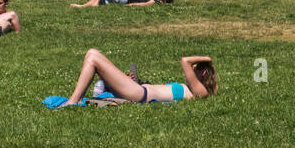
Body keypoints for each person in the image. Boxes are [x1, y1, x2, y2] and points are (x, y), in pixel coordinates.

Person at [58, 50, 216, 106]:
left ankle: (74, 100)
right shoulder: (192, 89)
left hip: (140, 94)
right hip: (138, 90)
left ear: (202, 73)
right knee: (93, 57)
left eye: (194, 69)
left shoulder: (200, 91)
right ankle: (80, 97)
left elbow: (184, 60)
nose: (190, 71)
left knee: (93, 55)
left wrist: (207, 59)